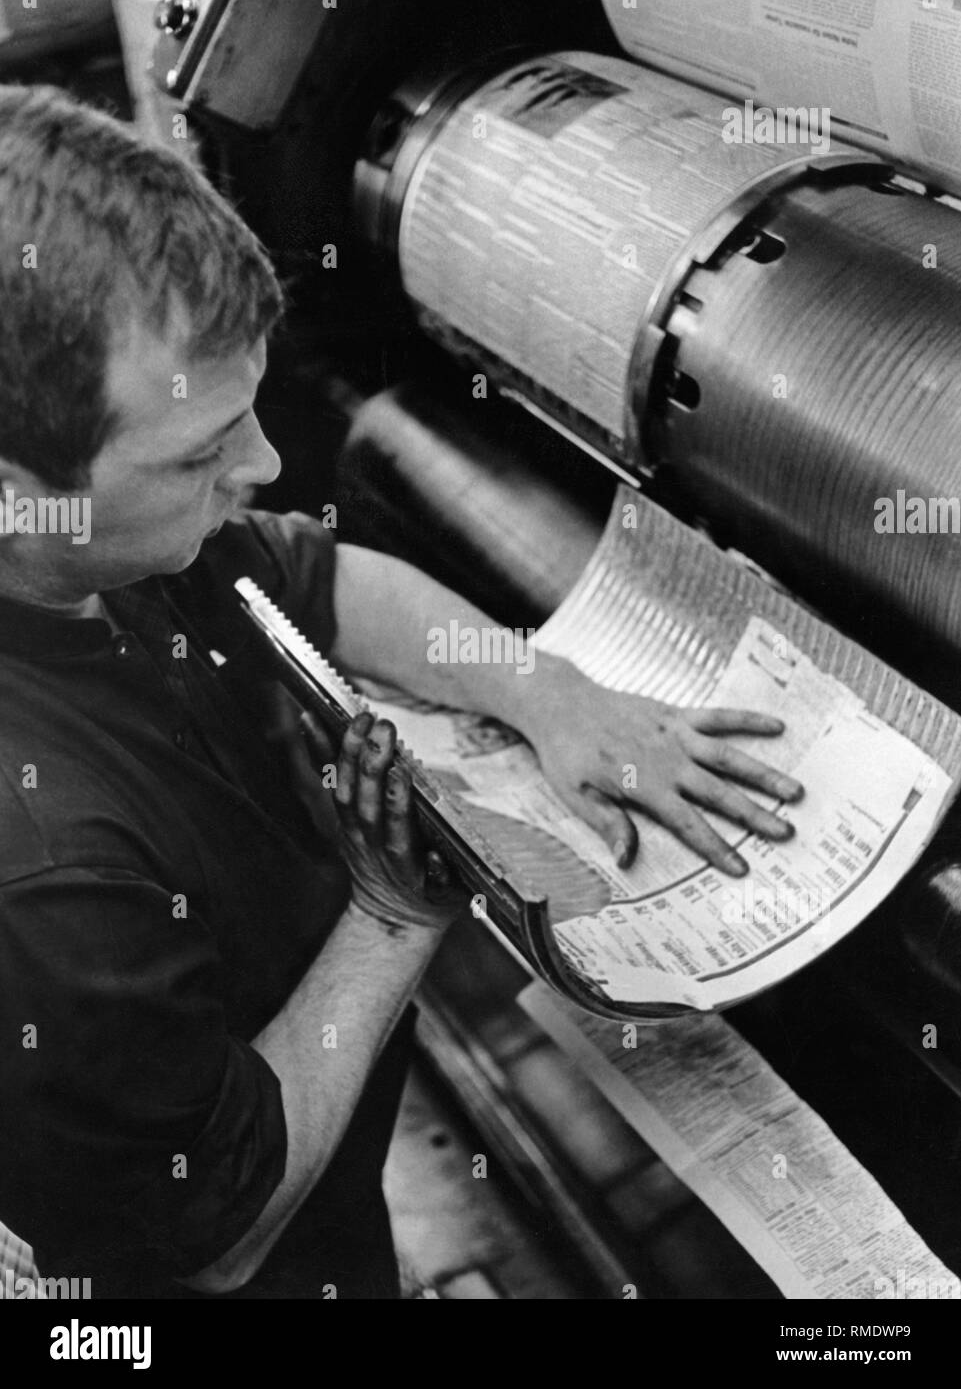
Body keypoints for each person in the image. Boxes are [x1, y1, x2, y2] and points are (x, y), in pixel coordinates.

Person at [0, 83, 803, 1299]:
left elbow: (326, 581)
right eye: (198, 452)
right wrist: (391, 914)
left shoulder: (92, 550)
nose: (263, 465)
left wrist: (552, 694)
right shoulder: (39, 862)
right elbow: (218, 1236)